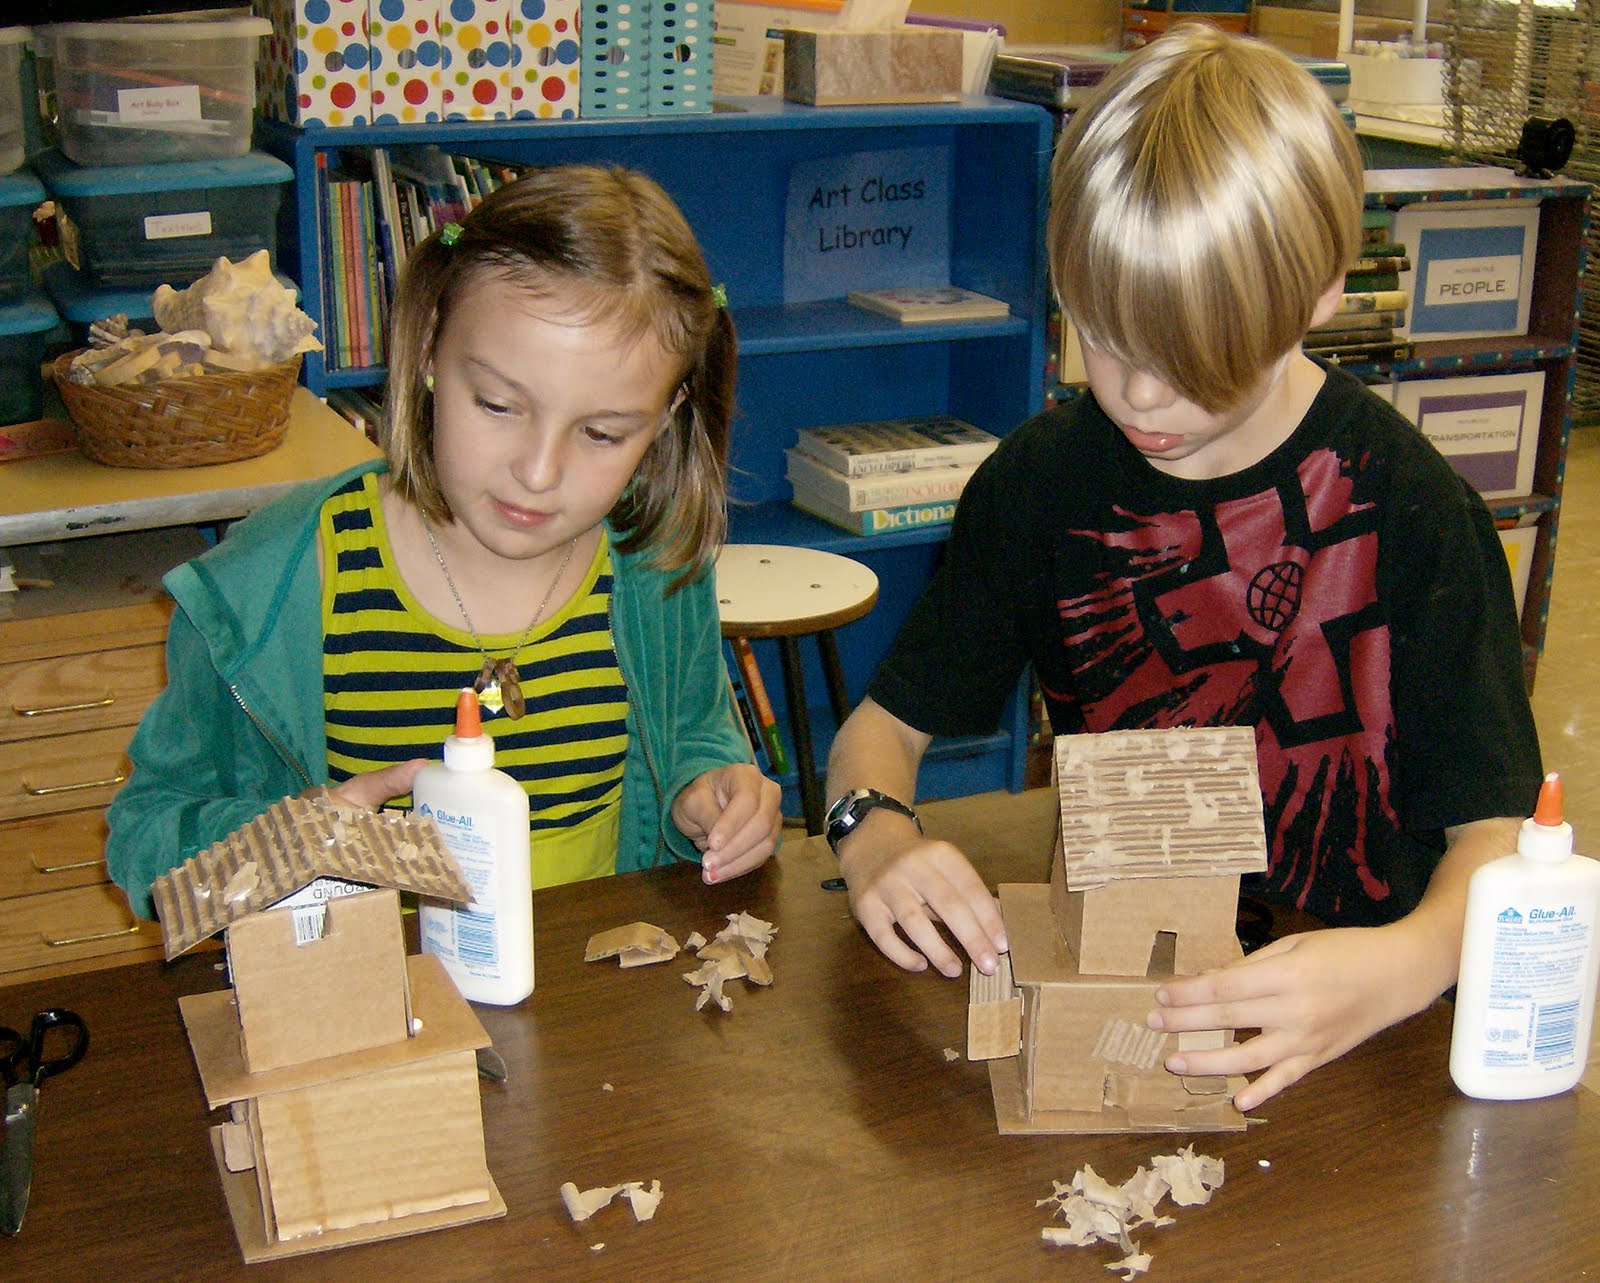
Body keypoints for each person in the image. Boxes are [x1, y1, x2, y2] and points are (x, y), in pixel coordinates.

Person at [822, 26, 1543, 1111]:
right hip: (1130, 1027)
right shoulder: (1038, 488)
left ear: (1317, 293)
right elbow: (882, 731)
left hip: (1365, 1044)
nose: (1139, 394)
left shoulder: (1414, 512)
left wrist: (1406, 963)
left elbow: (1496, 840)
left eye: (1192, 355)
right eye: (1103, 337)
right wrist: (869, 832)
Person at [107, 164, 782, 917]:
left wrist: (709, 788)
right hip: (374, 1013)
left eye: (602, 432)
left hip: (594, 1009)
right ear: (428, 345)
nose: (537, 471)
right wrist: (296, 844)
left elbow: (692, 731)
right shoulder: (275, 584)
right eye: (497, 403)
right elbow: (148, 842)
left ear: (666, 415)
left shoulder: (653, 566)